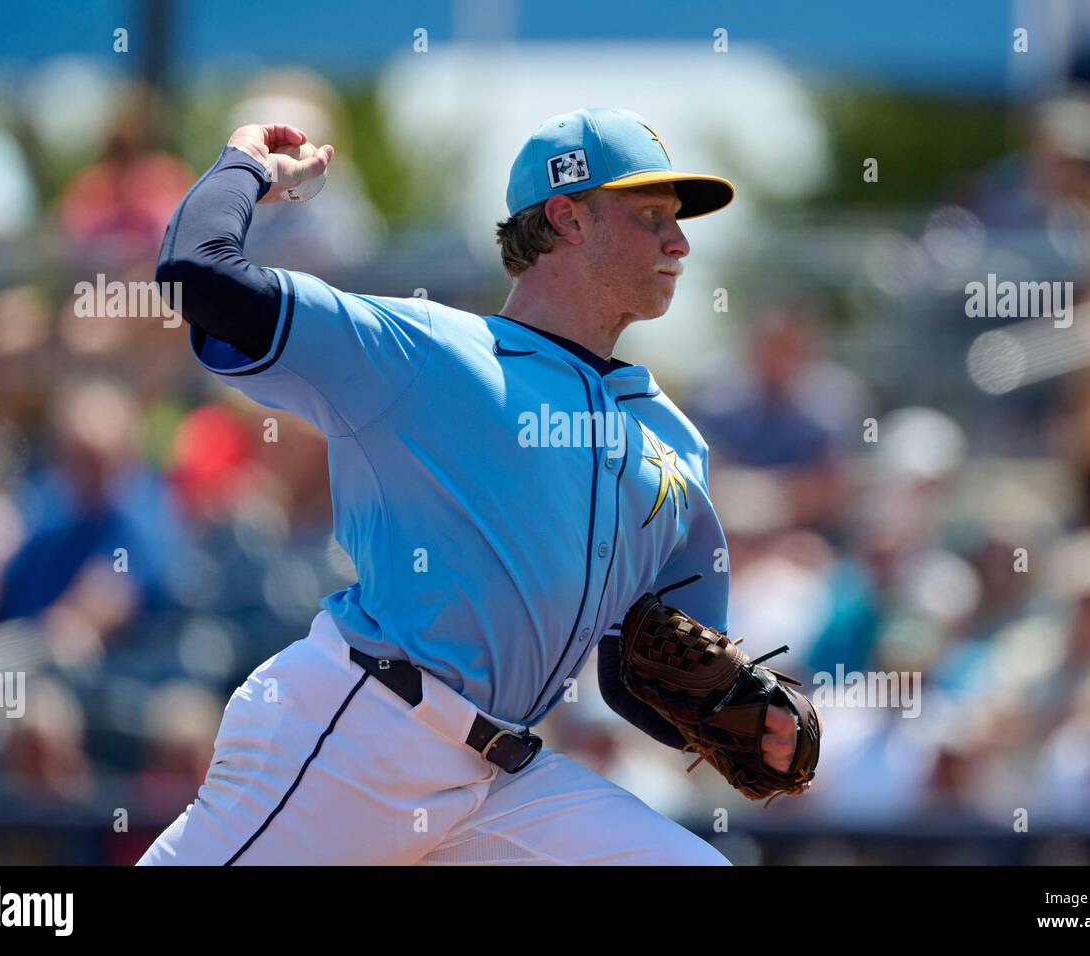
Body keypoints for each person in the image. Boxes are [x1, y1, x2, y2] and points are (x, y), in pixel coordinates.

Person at [138, 108, 801, 865]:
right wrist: (244, 169)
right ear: (567, 217)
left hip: (502, 777)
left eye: (676, 220)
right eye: (651, 216)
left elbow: (636, 673)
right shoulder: (427, 351)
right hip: (359, 734)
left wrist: (742, 716)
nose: (679, 242)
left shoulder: (672, 443)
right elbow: (199, 273)